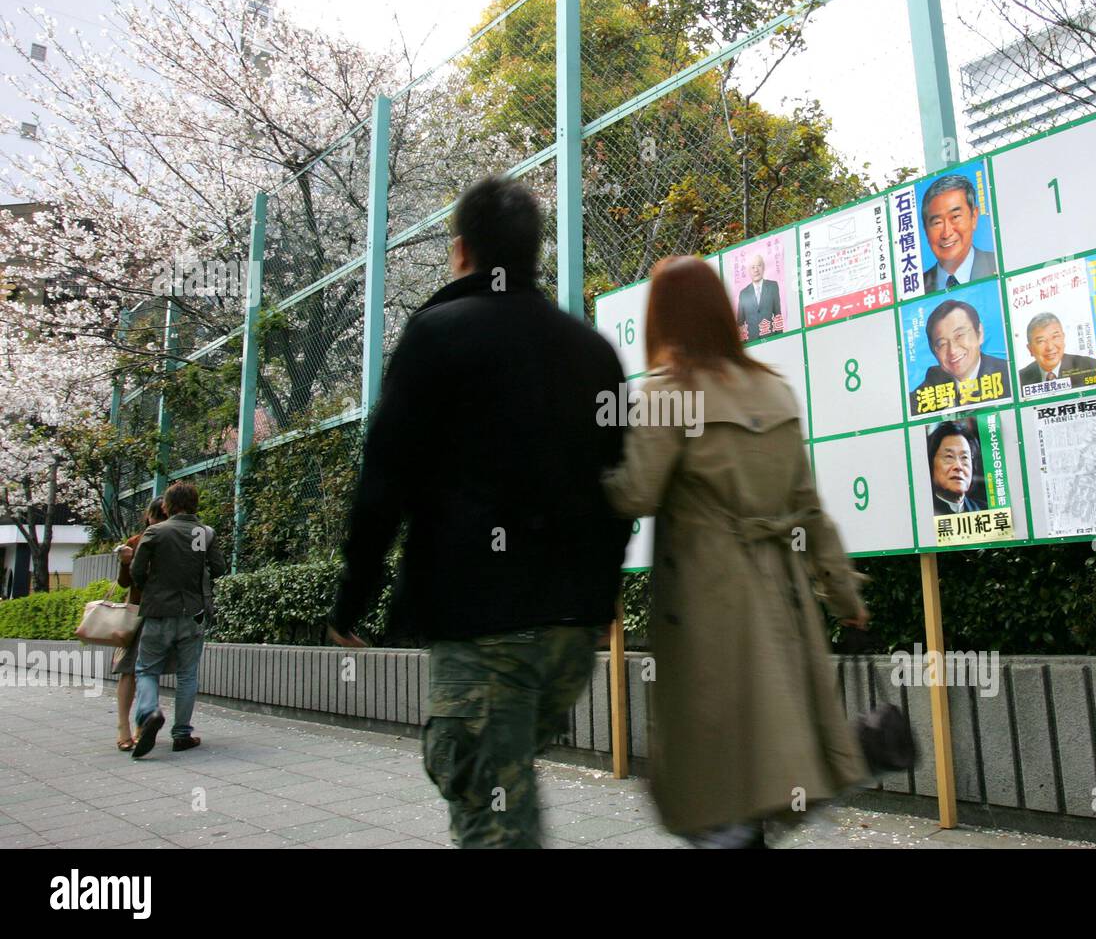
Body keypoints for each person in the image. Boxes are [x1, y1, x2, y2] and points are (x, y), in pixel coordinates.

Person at [326, 176, 631, 849]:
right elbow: (620, 488)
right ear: (534, 254)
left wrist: (354, 599)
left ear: (461, 252)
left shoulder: (439, 335)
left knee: (491, 816)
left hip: (483, 618)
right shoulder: (594, 352)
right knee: (504, 790)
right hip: (569, 631)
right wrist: (601, 599)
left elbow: (385, 480)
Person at [601, 255, 870, 849]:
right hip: (784, 603)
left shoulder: (667, 394)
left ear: (660, 321)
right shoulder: (773, 391)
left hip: (709, 605)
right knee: (769, 755)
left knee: (715, 769)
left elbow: (634, 493)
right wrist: (844, 594)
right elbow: (809, 509)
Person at [129, 481, 226, 758]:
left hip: (158, 611)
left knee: (147, 670)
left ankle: (149, 712)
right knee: (187, 675)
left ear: (166, 506)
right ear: (196, 503)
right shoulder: (205, 533)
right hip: (192, 613)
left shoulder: (155, 532)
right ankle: (181, 734)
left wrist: (153, 586)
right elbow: (219, 568)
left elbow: (137, 571)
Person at [112, 497, 170, 751]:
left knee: (148, 671)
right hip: (137, 613)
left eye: (161, 516)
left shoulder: (172, 542)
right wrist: (126, 562)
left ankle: (141, 726)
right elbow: (125, 583)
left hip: (160, 612)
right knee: (129, 670)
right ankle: (124, 727)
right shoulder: (135, 542)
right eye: (154, 516)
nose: (156, 521)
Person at [910, 299, 1010, 414]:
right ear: (934, 352)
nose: (952, 350)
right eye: (942, 344)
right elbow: (906, 410)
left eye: (960, 335)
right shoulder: (936, 378)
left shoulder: (1007, 374)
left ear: (980, 333)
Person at [921, 174, 997, 293]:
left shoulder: (998, 265)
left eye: (955, 217)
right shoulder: (917, 289)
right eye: (937, 222)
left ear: (974, 217)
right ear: (925, 230)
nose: (947, 233)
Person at [1018, 312, 1096, 390]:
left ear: (1063, 338)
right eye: (1041, 341)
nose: (1050, 347)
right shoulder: (1019, 380)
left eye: (1055, 337)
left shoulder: (1092, 368)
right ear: (1030, 349)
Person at [928, 421, 985, 514]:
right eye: (949, 457)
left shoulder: (985, 510)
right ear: (931, 464)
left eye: (964, 458)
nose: (958, 466)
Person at [734, 252, 782, 340]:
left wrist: (779, 337)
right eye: (752, 267)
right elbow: (740, 322)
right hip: (752, 341)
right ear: (748, 270)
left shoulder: (773, 286)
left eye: (759, 266)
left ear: (763, 267)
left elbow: (777, 314)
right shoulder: (743, 293)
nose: (756, 270)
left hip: (770, 337)